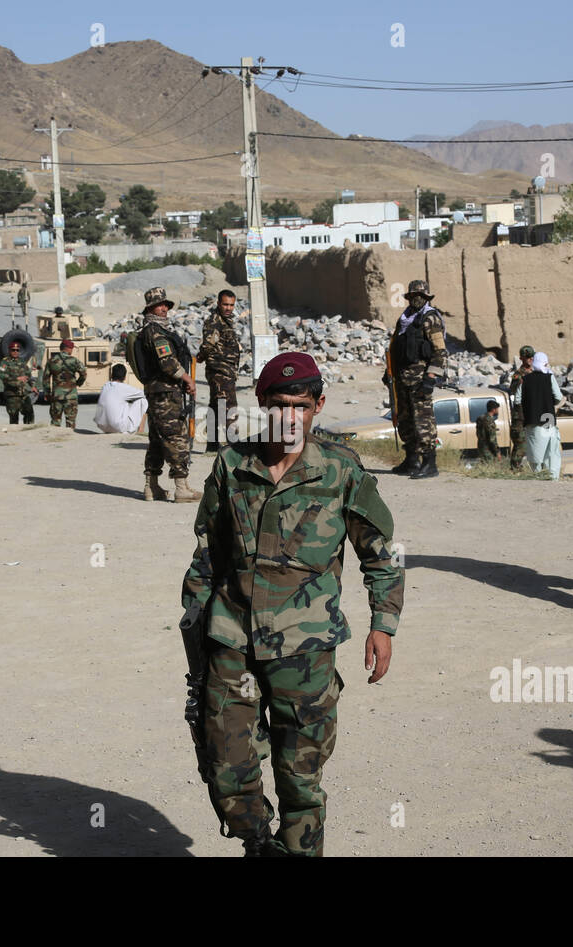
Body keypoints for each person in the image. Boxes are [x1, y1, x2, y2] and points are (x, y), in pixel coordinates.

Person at [181, 352, 404, 856]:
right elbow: (206, 556)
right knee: (224, 763)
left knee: (300, 777)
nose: (288, 416)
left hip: (305, 650)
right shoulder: (233, 465)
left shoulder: (341, 470)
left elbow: (380, 557)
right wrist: (194, 635)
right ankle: (258, 845)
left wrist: (383, 625)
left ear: (318, 406)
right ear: (261, 403)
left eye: (300, 406)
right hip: (231, 638)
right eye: (277, 404)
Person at [137, 287, 199, 502]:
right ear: (150, 308)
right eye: (160, 305)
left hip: (158, 393)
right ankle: (181, 488)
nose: (164, 308)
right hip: (165, 393)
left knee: (156, 439)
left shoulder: (151, 329)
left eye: (166, 305)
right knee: (176, 437)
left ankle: (151, 487)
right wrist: (188, 379)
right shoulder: (154, 331)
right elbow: (168, 363)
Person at [384, 279, 447, 478]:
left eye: (421, 296)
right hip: (402, 378)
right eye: (413, 296)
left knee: (423, 421)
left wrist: (431, 377)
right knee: (405, 420)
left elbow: (440, 351)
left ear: (427, 298)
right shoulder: (405, 319)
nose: (417, 299)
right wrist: (389, 372)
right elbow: (397, 348)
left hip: (420, 380)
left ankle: (430, 463)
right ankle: (411, 461)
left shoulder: (430, 318)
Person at [196, 290, 241, 452]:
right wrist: (202, 355)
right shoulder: (215, 321)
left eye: (231, 305)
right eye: (225, 304)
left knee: (215, 407)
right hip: (220, 371)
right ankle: (234, 448)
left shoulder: (225, 321)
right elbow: (208, 344)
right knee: (229, 408)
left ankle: (212, 445)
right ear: (218, 304)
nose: (229, 308)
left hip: (225, 370)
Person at [519, 352, 565, 480]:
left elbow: (518, 399)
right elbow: (559, 397)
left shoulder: (525, 379)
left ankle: (538, 477)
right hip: (547, 418)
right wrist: (549, 402)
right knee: (551, 452)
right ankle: (552, 478)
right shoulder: (549, 378)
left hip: (532, 420)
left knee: (535, 454)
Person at [43, 340, 87, 429]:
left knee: (55, 422)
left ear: (61, 348)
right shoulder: (74, 360)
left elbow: (46, 378)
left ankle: (54, 440)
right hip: (71, 396)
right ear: (69, 349)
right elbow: (83, 373)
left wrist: (47, 393)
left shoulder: (51, 360)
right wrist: (78, 383)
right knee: (71, 423)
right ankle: (69, 441)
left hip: (57, 396)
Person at [94, 364, 148, 434]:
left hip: (102, 426)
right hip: (117, 427)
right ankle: (140, 431)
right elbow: (144, 394)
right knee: (143, 400)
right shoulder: (123, 388)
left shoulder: (105, 386)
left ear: (111, 375)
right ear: (125, 377)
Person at [508, 346, 536, 468]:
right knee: (520, 444)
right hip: (520, 415)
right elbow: (513, 391)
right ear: (521, 358)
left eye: (531, 357)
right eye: (527, 357)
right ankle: (515, 468)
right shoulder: (518, 375)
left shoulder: (536, 372)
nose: (529, 360)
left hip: (532, 413)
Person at [0, 340, 36, 425]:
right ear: (9, 350)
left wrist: (32, 386)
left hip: (23, 393)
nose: (15, 352)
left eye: (17, 350)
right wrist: (17, 378)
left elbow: (28, 375)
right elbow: (2, 375)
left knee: (29, 413)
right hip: (12, 394)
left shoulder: (22, 362)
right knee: (14, 417)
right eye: (13, 350)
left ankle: (27, 431)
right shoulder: (5, 362)